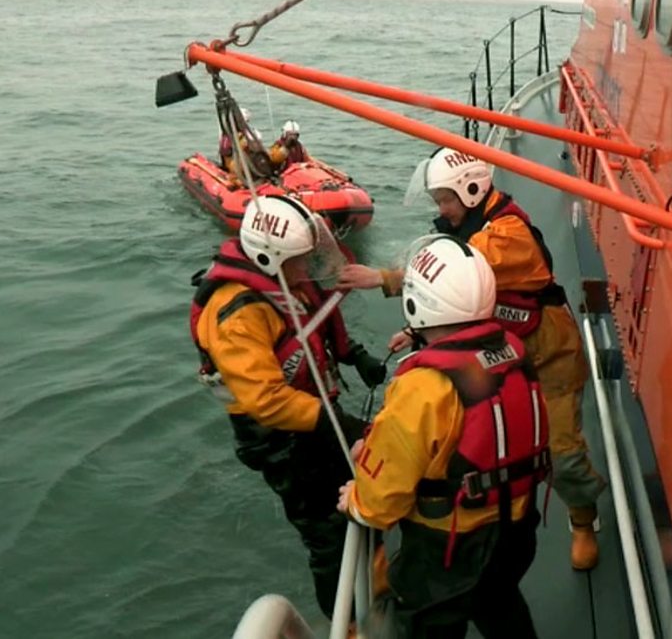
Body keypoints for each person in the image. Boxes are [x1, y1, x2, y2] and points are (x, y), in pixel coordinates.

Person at [338, 148, 607, 571]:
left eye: (445, 199)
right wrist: (417, 331)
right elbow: (466, 300)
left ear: (471, 190)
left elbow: (463, 272)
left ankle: (583, 518)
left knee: (564, 452)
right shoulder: (470, 227)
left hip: (550, 355)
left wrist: (384, 278)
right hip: (504, 352)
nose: (442, 210)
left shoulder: (505, 237)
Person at [337, 235, 548, 639]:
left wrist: (359, 502)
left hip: (449, 548)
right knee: (500, 604)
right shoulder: (514, 351)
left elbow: (384, 498)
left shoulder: (424, 387)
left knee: (428, 624)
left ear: (417, 304)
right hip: (517, 530)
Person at [190, 194, 387, 618]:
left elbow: (312, 324)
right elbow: (265, 400)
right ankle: (347, 621)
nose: (307, 267)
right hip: (278, 436)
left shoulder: (284, 281)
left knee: (361, 489)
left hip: (313, 413)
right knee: (325, 533)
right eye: (301, 259)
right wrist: (332, 419)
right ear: (270, 256)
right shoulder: (236, 314)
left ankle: (378, 574)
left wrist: (355, 354)